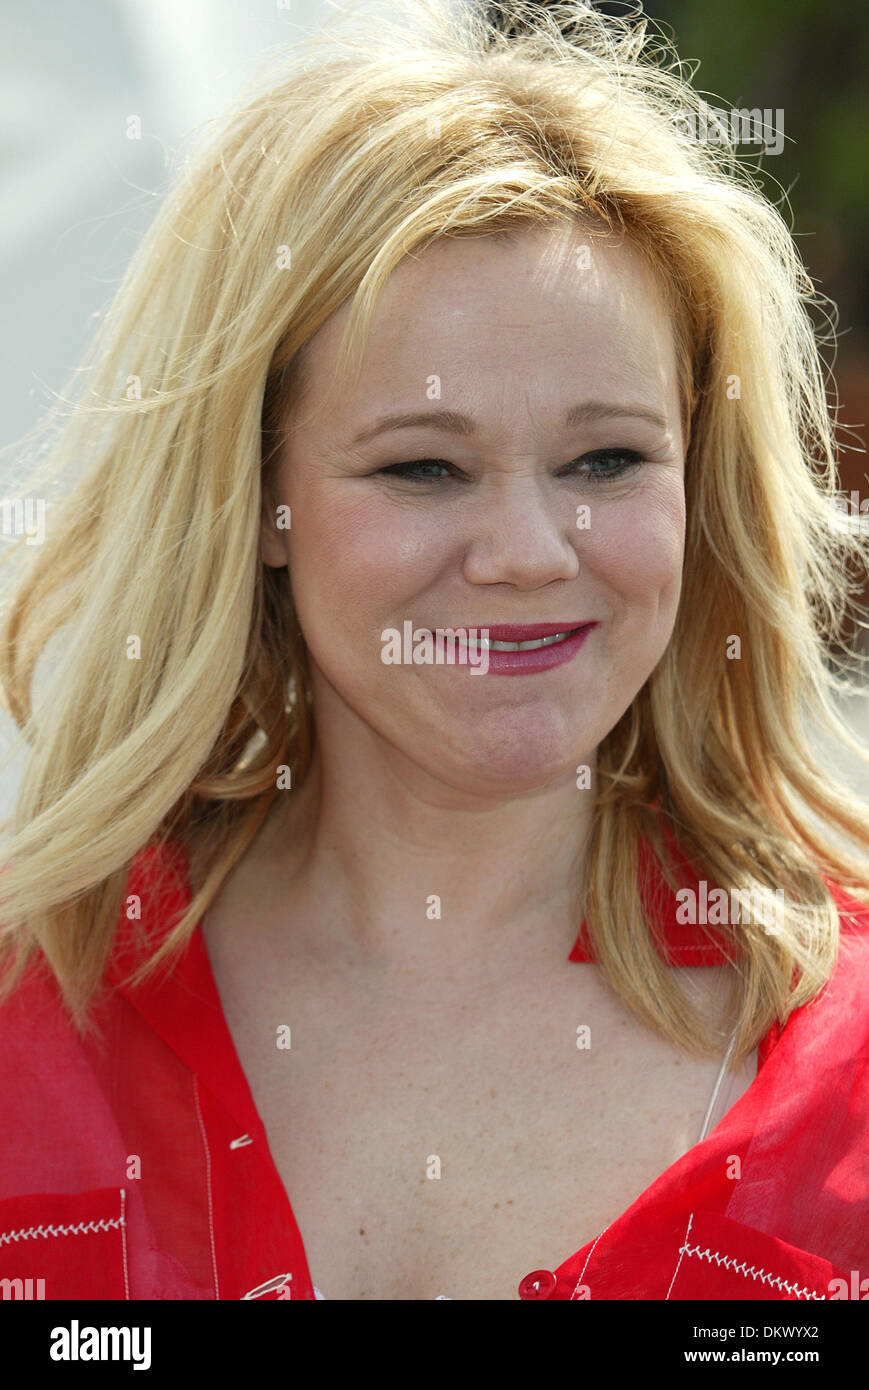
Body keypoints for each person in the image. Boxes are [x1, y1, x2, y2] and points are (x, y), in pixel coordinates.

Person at [0, 0, 867, 1302]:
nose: (525, 548)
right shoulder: (36, 1002)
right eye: (422, 465)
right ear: (260, 499)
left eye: (603, 457)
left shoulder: (845, 1049)